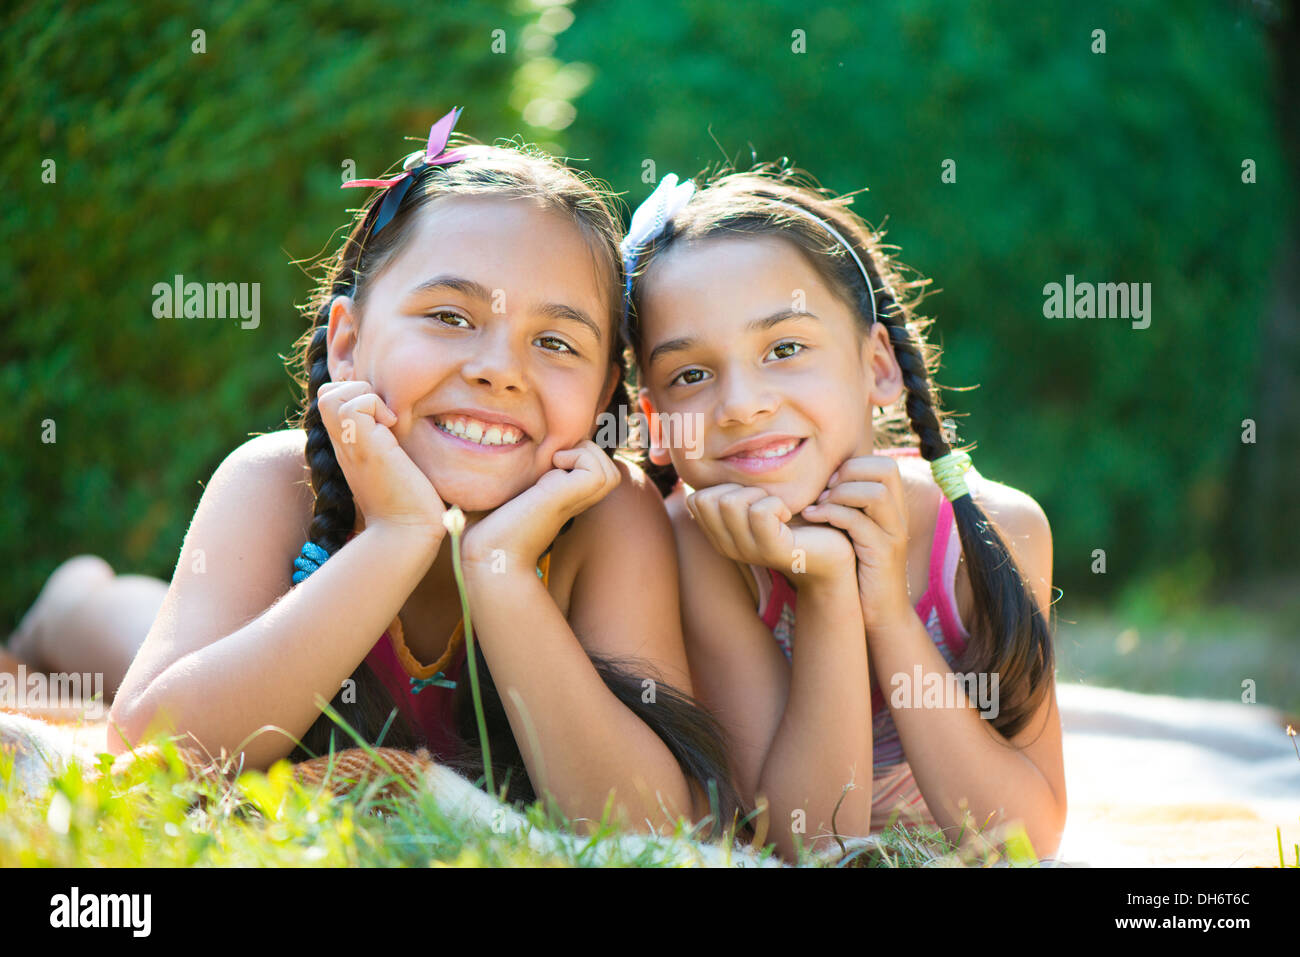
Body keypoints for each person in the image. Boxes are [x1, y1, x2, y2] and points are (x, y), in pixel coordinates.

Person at [10, 110, 741, 838]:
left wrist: (502, 573)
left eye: (554, 340)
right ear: (349, 343)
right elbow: (153, 753)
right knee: (116, 625)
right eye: (450, 316)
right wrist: (395, 535)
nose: (498, 371)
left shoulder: (612, 518)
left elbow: (652, 825)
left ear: (604, 394)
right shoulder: (274, 484)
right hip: (229, 632)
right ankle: (71, 599)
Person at [621, 166, 1064, 860]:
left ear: (879, 365)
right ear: (655, 424)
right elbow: (807, 843)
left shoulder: (995, 534)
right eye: (690, 375)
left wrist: (885, 607)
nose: (742, 404)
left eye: (785, 348)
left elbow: (1022, 843)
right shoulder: (691, 542)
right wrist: (829, 589)